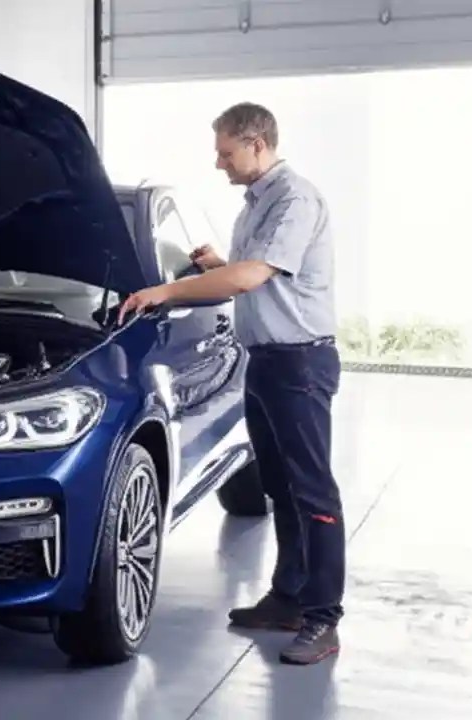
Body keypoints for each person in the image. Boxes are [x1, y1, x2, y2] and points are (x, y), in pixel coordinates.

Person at [118, 102, 344, 666]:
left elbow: (248, 278)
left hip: (300, 364)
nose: (218, 162)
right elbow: (249, 274)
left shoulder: (295, 199)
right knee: (282, 491)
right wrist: (218, 261)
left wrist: (163, 293)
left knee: (314, 495)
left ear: (257, 144)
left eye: (226, 151)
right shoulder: (257, 203)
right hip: (265, 361)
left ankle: (323, 619)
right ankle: (288, 599)